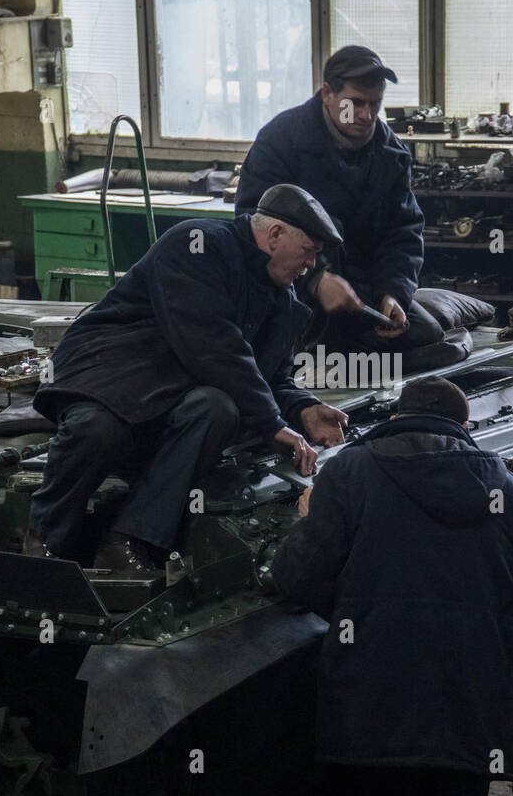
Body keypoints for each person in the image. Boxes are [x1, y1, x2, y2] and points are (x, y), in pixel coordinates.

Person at [271, 376, 513, 796]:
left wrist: (310, 522)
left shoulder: (348, 472)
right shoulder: (505, 485)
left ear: (395, 418)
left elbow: (295, 579)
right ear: (465, 427)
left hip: (369, 711)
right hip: (468, 714)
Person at [27, 184, 350, 578]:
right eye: (309, 251)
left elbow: (269, 374)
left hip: (174, 391)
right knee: (99, 429)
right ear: (275, 235)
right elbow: (213, 345)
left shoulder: (281, 300)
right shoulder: (197, 245)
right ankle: (45, 541)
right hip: (110, 374)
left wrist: (303, 408)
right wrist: (271, 424)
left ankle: (129, 541)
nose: (311, 265)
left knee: (216, 408)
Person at [236, 45, 443, 357]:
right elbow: (253, 224)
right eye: (355, 103)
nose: (366, 115)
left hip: (360, 292)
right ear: (327, 94)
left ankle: (346, 356)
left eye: (375, 104)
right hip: (290, 286)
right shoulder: (280, 141)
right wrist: (316, 279)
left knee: (425, 335)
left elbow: (402, 233)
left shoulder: (392, 155)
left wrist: (393, 293)